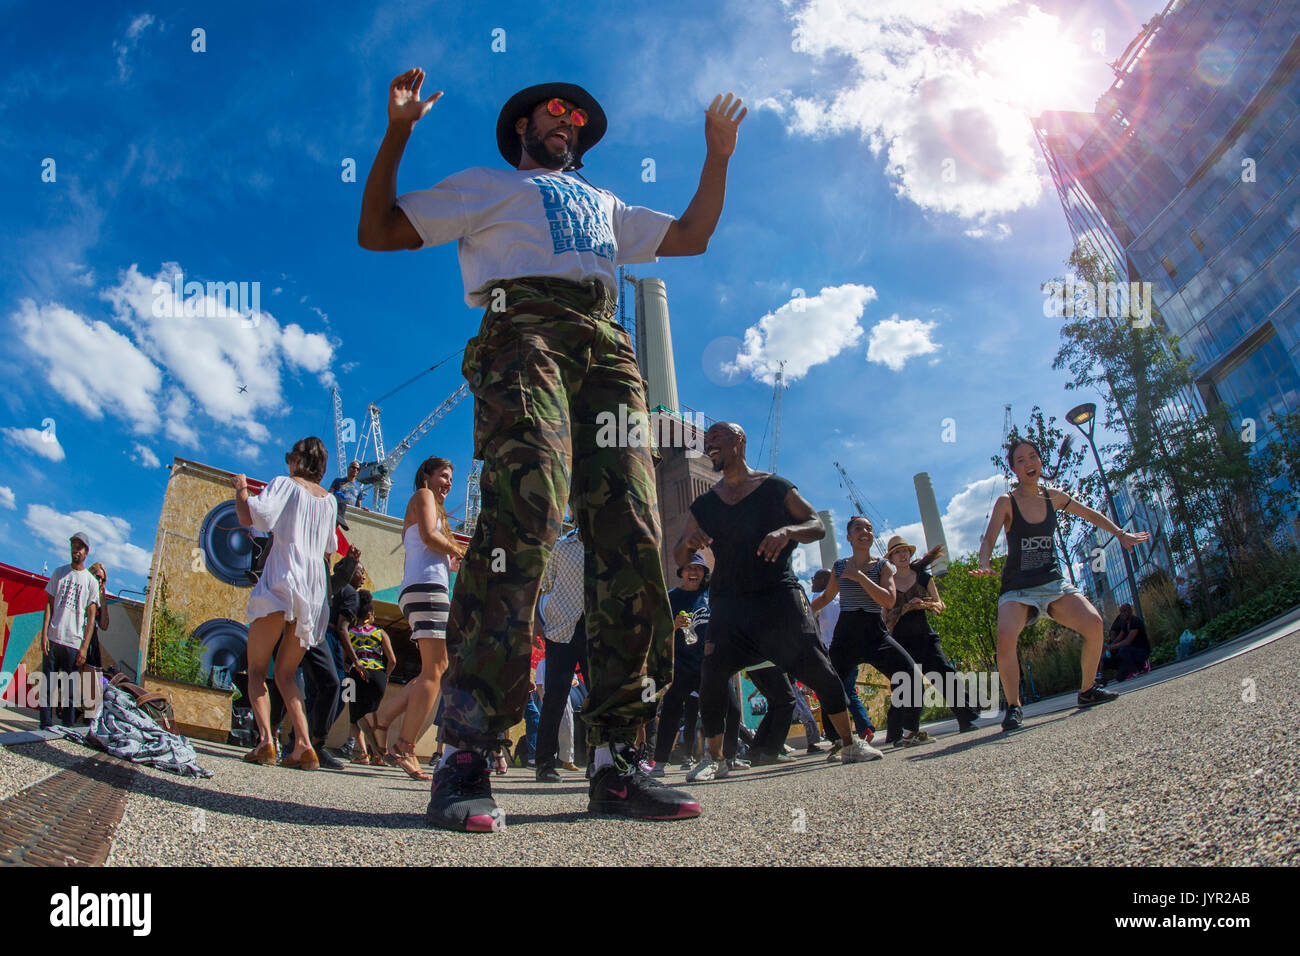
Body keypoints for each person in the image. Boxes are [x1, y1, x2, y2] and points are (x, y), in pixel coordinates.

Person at [359, 72, 746, 830]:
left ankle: (617, 758)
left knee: (633, 533)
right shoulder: (488, 186)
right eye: (554, 111)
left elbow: (694, 235)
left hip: (606, 348)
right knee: (523, 515)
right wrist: (398, 130)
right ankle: (467, 751)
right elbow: (378, 229)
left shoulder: (605, 205)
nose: (568, 120)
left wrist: (718, 154)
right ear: (522, 127)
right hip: (522, 330)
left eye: (577, 115)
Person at [674, 422, 883, 783]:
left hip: (777, 597)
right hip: (729, 603)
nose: (710, 446)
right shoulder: (705, 504)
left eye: (717, 439)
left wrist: (787, 531)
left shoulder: (775, 487)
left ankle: (848, 742)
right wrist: (689, 543)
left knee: (818, 667)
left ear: (739, 440)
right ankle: (715, 759)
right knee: (712, 674)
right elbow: (679, 554)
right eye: (707, 442)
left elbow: (817, 524)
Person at [973, 438, 1150, 730]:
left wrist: (1119, 533)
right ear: (1014, 469)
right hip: (1018, 589)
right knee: (1005, 636)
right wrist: (984, 563)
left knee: (1093, 623)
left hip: (1053, 584)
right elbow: (989, 539)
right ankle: (1014, 707)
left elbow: (1089, 514)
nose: (1029, 463)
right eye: (1021, 460)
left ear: (1040, 461)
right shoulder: (1006, 502)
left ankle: (1087, 690)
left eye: (1033, 457)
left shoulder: (1052, 496)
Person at [235, 437, 339, 770]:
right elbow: (329, 547)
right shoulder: (330, 502)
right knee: (287, 674)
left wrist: (240, 490)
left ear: (296, 459)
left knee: (255, 670)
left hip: (281, 579)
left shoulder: (284, 484)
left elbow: (255, 518)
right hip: (312, 590)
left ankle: (266, 741)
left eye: (288, 458)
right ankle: (303, 746)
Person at [373, 457, 465, 781]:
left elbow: (437, 548)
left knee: (434, 668)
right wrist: (461, 552)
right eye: (444, 475)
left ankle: (383, 718)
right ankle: (405, 745)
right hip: (425, 588)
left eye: (451, 478)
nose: (448, 483)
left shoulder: (436, 508)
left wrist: (452, 557)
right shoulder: (423, 496)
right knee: (436, 670)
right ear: (426, 475)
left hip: (424, 587)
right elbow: (428, 536)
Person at [882, 537, 981, 743]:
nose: (903, 555)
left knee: (944, 674)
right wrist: (903, 608)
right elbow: (884, 615)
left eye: (905, 551)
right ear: (891, 558)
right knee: (904, 685)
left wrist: (925, 603)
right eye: (897, 552)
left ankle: (966, 719)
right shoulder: (888, 582)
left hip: (925, 636)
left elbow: (939, 604)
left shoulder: (924, 578)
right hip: (901, 641)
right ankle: (898, 733)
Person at [534, 527, 589, 782]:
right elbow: (544, 583)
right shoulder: (561, 545)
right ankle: (545, 762)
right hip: (561, 628)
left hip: (595, 628)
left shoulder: (607, 543)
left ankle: (601, 760)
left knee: (599, 695)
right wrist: (537, 619)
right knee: (555, 696)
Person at [39, 532, 100, 728]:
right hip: (54, 637)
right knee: (47, 685)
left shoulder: (90, 581)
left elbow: (91, 618)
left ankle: (66, 727)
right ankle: (45, 724)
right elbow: (49, 604)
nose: (76, 550)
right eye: (74, 545)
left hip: (73, 641)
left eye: (80, 547)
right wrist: (44, 634)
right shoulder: (58, 573)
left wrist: (84, 647)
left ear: (86, 552)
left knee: (69, 689)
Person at [811, 568, 876, 745]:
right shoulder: (844, 599)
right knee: (849, 690)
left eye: (814, 579)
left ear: (825, 580)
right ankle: (864, 728)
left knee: (831, 692)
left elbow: (812, 622)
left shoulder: (820, 600)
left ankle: (839, 736)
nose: (812, 582)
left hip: (831, 652)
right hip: (851, 648)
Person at [346, 590, 397, 765]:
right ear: (369, 614)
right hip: (377, 675)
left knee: (353, 716)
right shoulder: (380, 633)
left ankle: (361, 754)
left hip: (353, 675)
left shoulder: (348, 631)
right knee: (373, 715)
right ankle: (378, 754)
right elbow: (392, 660)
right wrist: (387, 676)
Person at [1105, 603, 1150, 680]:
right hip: (1131, 653)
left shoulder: (1135, 621)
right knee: (1119, 677)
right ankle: (1139, 667)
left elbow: (1127, 641)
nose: (1123, 614)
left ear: (1130, 610)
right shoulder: (1125, 624)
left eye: (1125, 611)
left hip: (1141, 651)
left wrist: (1113, 647)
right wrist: (1109, 646)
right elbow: (1119, 637)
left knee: (1123, 649)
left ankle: (1137, 668)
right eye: (1121, 612)